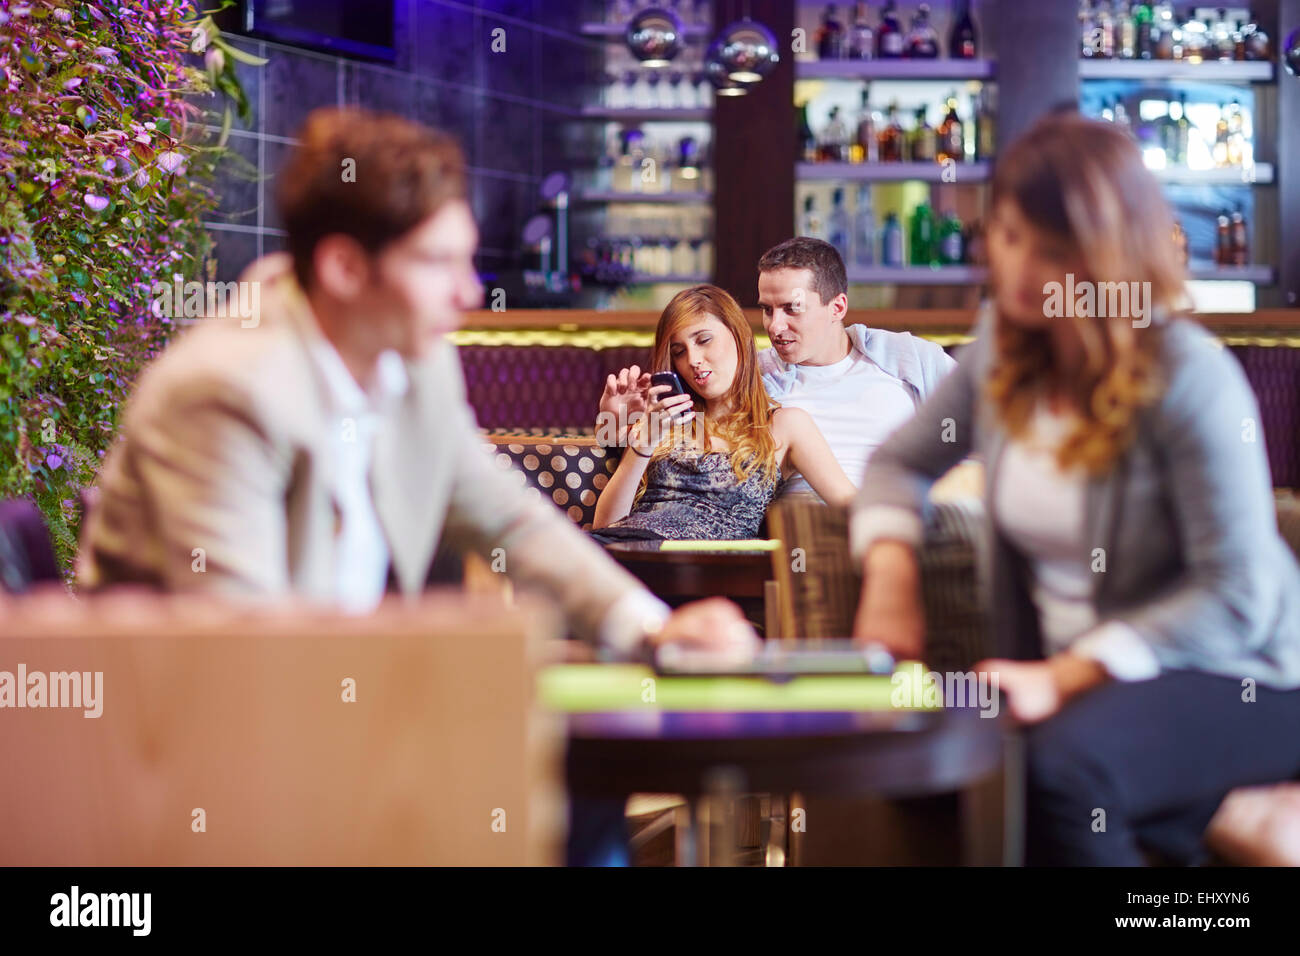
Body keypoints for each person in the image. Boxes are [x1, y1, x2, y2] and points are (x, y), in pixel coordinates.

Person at [77, 108, 757, 663]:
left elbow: (503, 514)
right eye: (438, 263)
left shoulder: (412, 360)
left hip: (332, 707)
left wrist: (647, 627)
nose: (467, 292)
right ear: (345, 268)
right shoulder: (224, 392)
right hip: (193, 759)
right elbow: (241, 647)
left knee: (585, 787)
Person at [850, 112, 1300, 866]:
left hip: (1242, 673)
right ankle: (1224, 817)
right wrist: (890, 577)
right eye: (1010, 236)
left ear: (1109, 258)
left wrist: (1066, 676)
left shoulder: (1185, 375)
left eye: (1051, 252)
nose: (1020, 270)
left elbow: (1238, 593)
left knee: (1061, 770)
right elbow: (899, 465)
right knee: (910, 754)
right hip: (1081, 687)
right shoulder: (1001, 354)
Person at [598, 238, 957, 496]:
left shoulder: (902, 358)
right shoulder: (751, 377)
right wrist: (615, 424)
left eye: (790, 308)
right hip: (803, 538)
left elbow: (988, 420)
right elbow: (678, 454)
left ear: (837, 307)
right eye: (767, 310)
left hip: (898, 523)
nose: (774, 326)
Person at [592, 284, 855, 540]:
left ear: (738, 336)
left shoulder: (785, 425)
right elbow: (606, 526)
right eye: (679, 351)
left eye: (704, 340)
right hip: (629, 552)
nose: (692, 360)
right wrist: (639, 439)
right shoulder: (663, 420)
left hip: (703, 568)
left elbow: (852, 506)